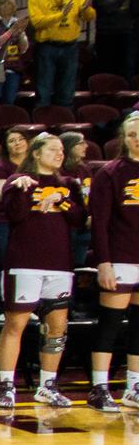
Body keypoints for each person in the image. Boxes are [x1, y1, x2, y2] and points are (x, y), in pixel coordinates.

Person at [0, 131, 86, 410]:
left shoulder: (69, 183)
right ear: (36, 153)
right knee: (16, 325)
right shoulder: (17, 180)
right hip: (24, 263)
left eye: (61, 150)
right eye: (53, 149)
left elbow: (79, 220)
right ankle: (7, 386)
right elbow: (16, 217)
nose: (60, 154)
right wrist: (22, 191)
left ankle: (48, 385)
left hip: (60, 264)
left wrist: (62, 198)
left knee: (57, 326)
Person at [88, 113, 139, 411]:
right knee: (109, 323)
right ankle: (99, 387)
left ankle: (133, 386)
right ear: (123, 137)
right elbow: (100, 224)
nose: (137, 138)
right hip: (119, 258)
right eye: (132, 133)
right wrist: (103, 263)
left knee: (138, 327)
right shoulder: (109, 173)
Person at [26, 0, 92, 109]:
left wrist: (85, 10)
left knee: (67, 89)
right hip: (47, 47)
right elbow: (37, 23)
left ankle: (64, 120)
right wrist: (60, 15)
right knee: (44, 88)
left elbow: (90, 17)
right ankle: (42, 121)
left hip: (70, 47)